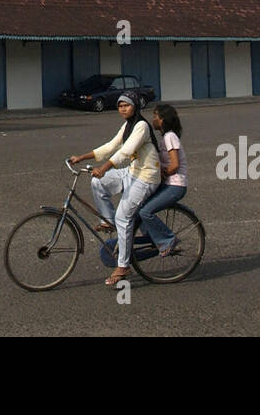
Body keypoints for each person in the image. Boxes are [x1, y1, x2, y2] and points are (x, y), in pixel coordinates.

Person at [68, 92, 161, 286]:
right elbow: (110, 146)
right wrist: (81, 158)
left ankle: (123, 265)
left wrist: (102, 168)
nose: (123, 109)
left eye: (126, 105)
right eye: (120, 106)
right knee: (97, 183)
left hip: (146, 177)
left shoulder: (141, 126)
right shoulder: (127, 126)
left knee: (123, 217)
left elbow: (125, 152)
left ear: (135, 106)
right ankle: (108, 221)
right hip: (132, 172)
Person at [138, 103, 187, 256]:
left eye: (155, 116)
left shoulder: (170, 136)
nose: (153, 119)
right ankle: (153, 237)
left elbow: (175, 165)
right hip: (167, 184)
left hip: (175, 186)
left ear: (163, 120)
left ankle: (167, 240)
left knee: (146, 211)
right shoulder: (165, 138)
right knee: (138, 204)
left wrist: (162, 172)